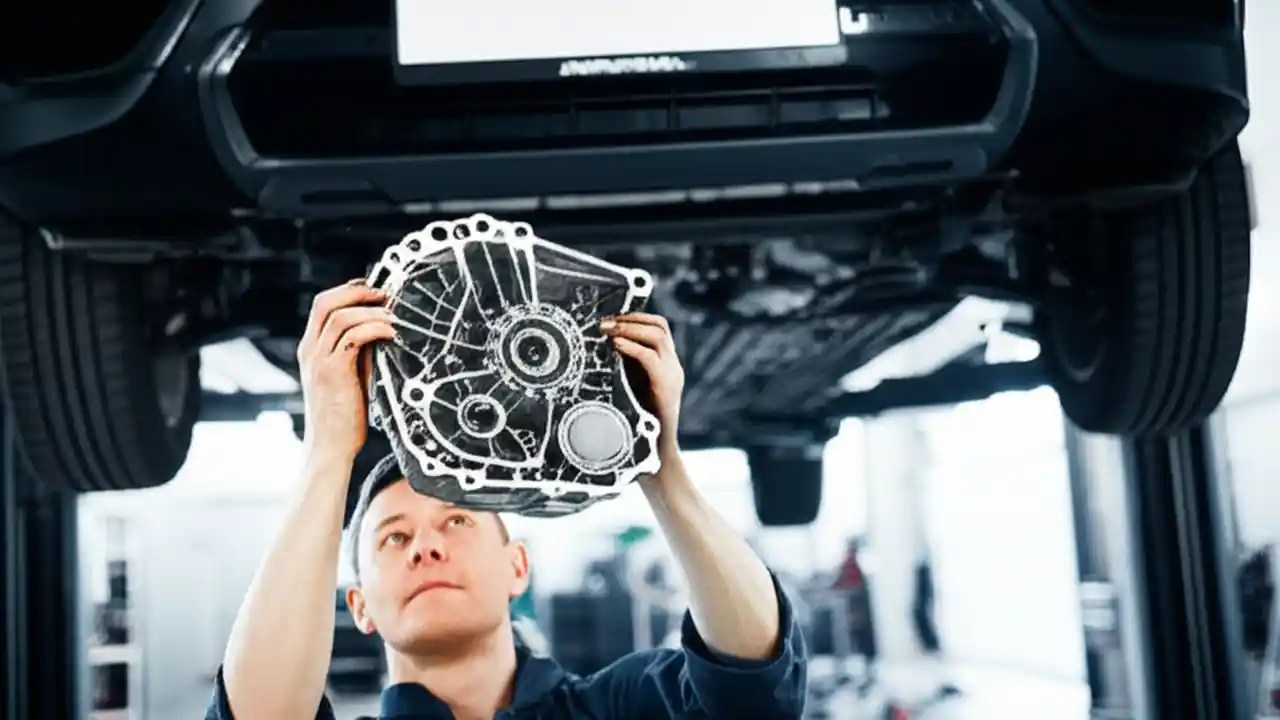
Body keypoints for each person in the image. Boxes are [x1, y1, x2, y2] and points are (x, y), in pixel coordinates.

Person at [205, 279, 808, 720]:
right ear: (359, 606)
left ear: (517, 567)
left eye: (458, 520)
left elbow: (754, 684)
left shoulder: (622, 709)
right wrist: (326, 454)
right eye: (394, 536)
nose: (427, 549)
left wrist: (659, 464)